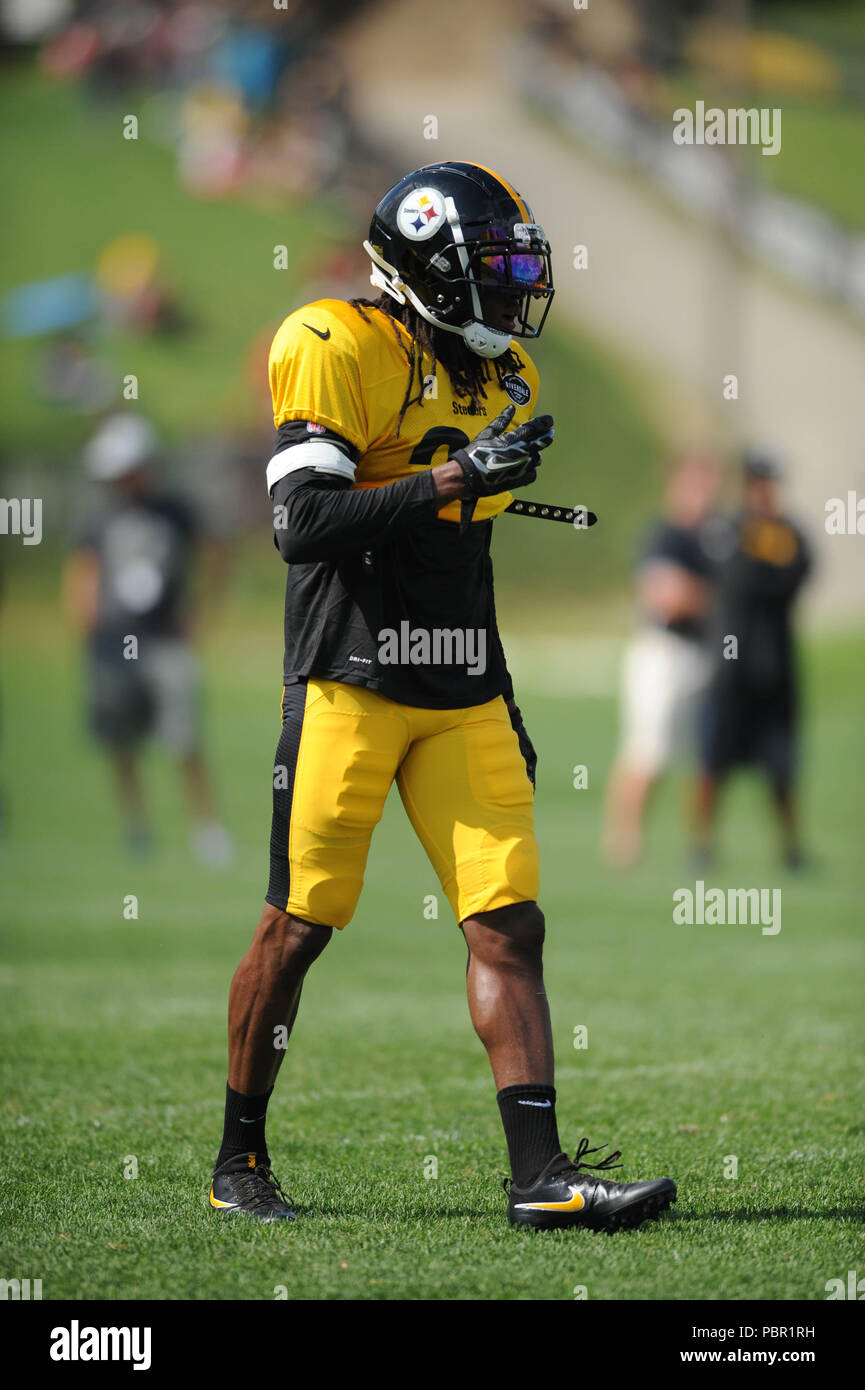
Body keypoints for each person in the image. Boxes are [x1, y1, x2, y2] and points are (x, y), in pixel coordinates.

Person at [209, 162, 676, 1231]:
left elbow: (467, 560)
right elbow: (302, 525)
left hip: (459, 684)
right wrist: (458, 478)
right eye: (492, 274)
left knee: (508, 925)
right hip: (352, 677)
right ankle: (238, 1157)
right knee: (298, 927)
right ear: (424, 269)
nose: (512, 299)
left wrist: (501, 690)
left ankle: (541, 1177)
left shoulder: (497, 372)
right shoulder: (332, 340)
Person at [63, 413, 234, 865]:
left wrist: (203, 611)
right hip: (113, 646)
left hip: (167, 641)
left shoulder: (176, 510)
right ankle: (137, 828)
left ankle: (207, 828)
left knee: (184, 738)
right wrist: (85, 623)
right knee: (121, 742)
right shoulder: (100, 517)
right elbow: (84, 571)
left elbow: (216, 554)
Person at [695, 451, 812, 868]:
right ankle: (702, 846)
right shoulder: (727, 529)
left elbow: (796, 575)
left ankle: (792, 848)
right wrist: (764, 558)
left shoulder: (789, 533)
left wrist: (765, 559)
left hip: (776, 667)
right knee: (714, 761)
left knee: (782, 765)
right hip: (731, 668)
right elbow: (740, 578)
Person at [603, 453, 720, 867]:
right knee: (648, 751)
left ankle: (701, 846)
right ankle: (624, 843)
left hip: (703, 654)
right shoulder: (665, 535)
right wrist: (714, 597)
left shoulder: (716, 537)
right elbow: (666, 598)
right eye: (695, 481)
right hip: (663, 653)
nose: (704, 492)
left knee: (704, 756)